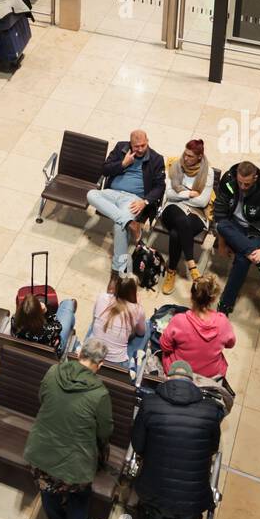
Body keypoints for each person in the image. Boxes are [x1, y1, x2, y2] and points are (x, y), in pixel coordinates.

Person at [24, 336, 113, 519]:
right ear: (101, 364)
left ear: (79, 354)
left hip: (40, 454)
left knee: (47, 490)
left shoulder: (53, 371)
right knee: (79, 497)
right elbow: (105, 431)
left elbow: (42, 397)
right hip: (74, 469)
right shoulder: (100, 394)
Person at [130, 359, 223, 519]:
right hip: (192, 499)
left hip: (154, 492)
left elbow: (138, 445)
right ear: (193, 382)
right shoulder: (211, 410)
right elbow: (212, 448)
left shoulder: (150, 404)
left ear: (167, 378)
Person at [86, 129, 166, 273]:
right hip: (112, 193)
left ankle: (118, 270)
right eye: (137, 146)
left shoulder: (156, 159)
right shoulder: (120, 148)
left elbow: (160, 186)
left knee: (119, 226)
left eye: (143, 145)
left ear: (147, 142)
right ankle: (130, 222)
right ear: (131, 144)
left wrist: (145, 201)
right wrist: (123, 164)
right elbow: (104, 169)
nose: (140, 149)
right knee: (91, 194)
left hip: (133, 200)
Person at [213, 160, 260, 314]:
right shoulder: (229, 181)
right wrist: (221, 244)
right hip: (232, 226)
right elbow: (219, 213)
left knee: (242, 259)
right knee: (221, 225)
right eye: (240, 182)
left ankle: (225, 305)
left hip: (255, 230)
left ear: (255, 178)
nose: (242, 187)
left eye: (246, 184)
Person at [158, 139, 214, 293]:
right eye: (185, 154)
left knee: (176, 234)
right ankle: (192, 264)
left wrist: (180, 193)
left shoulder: (208, 172)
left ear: (200, 157)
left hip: (196, 214)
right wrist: (189, 193)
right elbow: (169, 194)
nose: (186, 158)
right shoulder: (176, 166)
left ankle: (171, 271)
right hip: (172, 209)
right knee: (180, 218)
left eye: (190, 156)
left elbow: (203, 202)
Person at [161, 274, 235, 380]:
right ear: (213, 299)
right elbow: (230, 344)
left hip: (180, 373)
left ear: (191, 296)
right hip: (210, 377)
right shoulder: (223, 322)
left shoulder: (179, 320)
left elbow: (165, 346)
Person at [89, 272, 147, 372]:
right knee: (148, 327)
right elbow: (141, 333)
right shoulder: (137, 310)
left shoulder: (102, 297)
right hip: (116, 363)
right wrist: (138, 306)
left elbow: (94, 321)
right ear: (134, 292)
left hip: (92, 353)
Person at [11, 293, 77, 357]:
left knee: (68, 313)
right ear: (39, 313)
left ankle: (71, 315)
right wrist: (46, 312)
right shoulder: (47, 331)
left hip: (27, 353)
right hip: (53, 355)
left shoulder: (14, 321)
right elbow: (58, 326)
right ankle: (69, 307)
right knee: (67, 305)